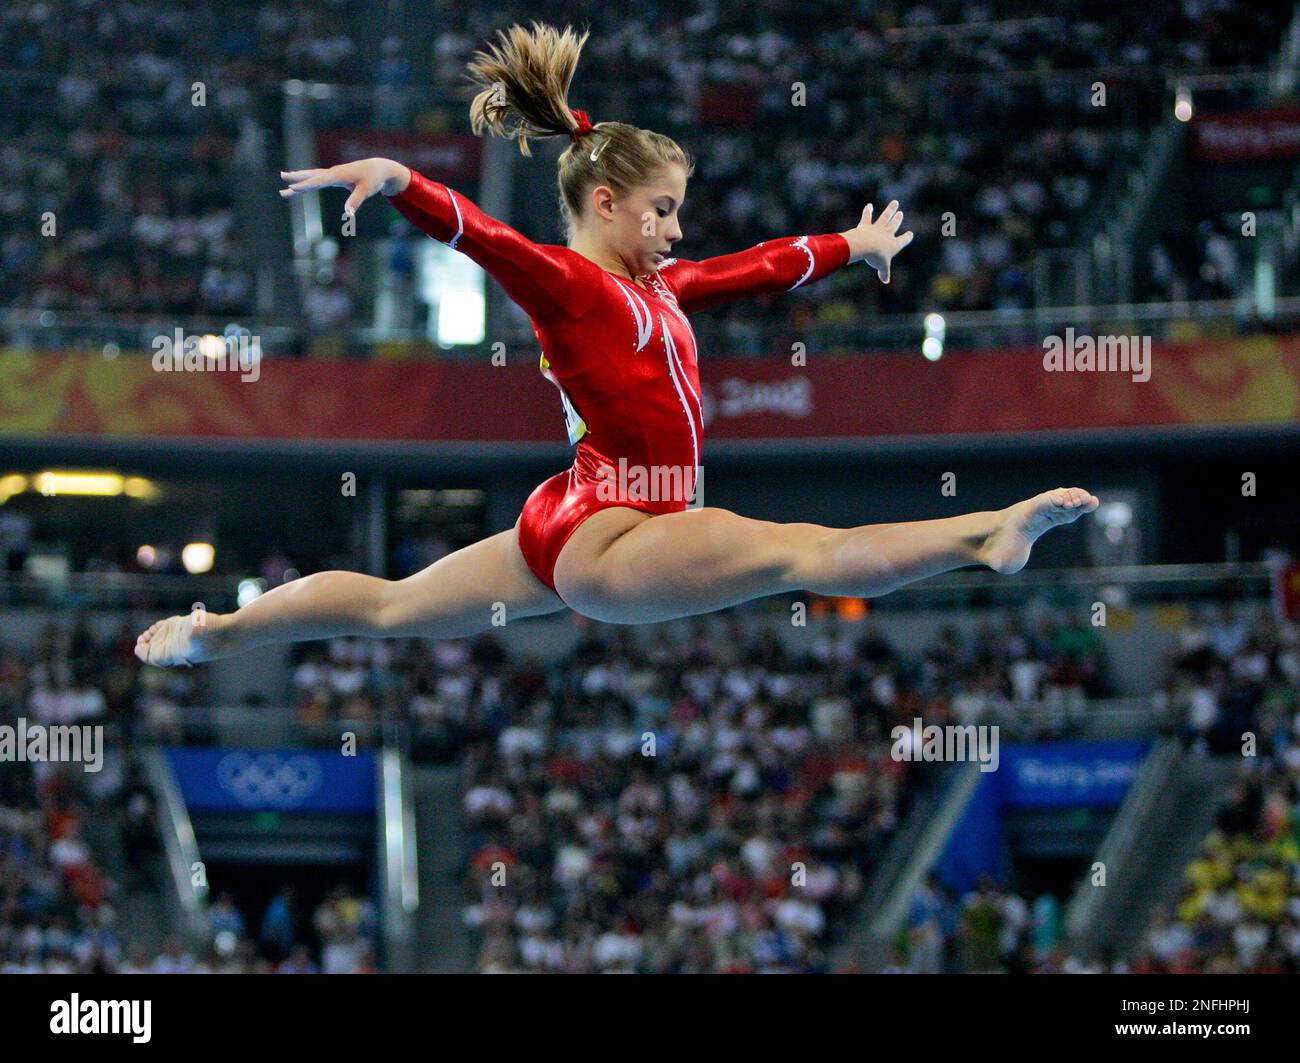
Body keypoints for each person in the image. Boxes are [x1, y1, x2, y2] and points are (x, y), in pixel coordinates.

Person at [135, 22, 1097, 669]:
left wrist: (854, 245)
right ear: (606, 203)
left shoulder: (659, 287)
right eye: (664, 210)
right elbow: (489, 237)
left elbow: (760, 265)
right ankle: (985, 531)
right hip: (615, 530)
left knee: (391, 608)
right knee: (802, 549)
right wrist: (400, 180)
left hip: (574, 515)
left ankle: (219, 634)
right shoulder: (574, 285)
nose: (678, 231)